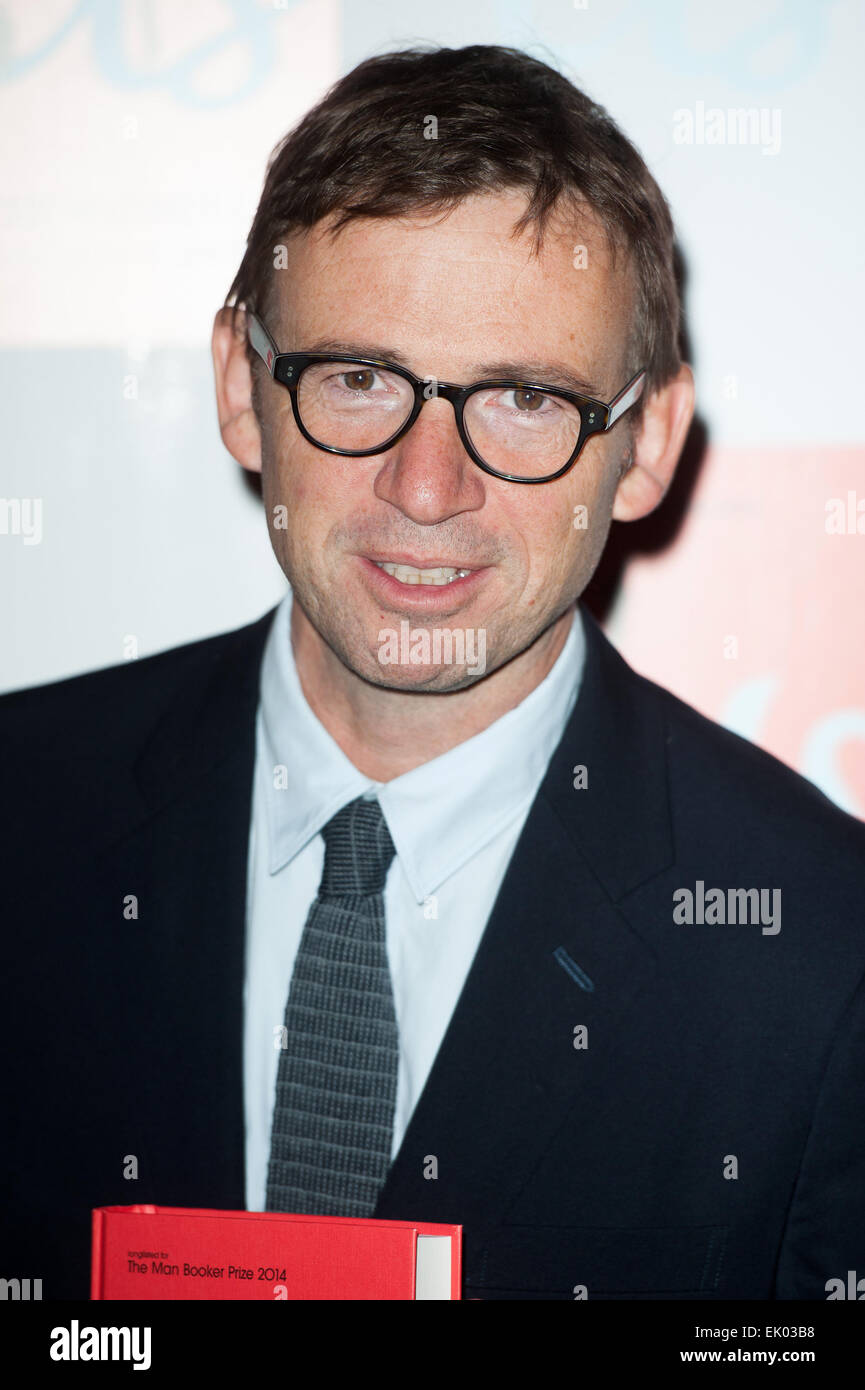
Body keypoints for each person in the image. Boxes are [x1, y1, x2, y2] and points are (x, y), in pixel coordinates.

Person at [2, 44, 864, 1303]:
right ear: (245, 387)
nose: (424, 485)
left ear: (647, 447)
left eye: (521, 398)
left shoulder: (824, 955)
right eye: (358, 380)